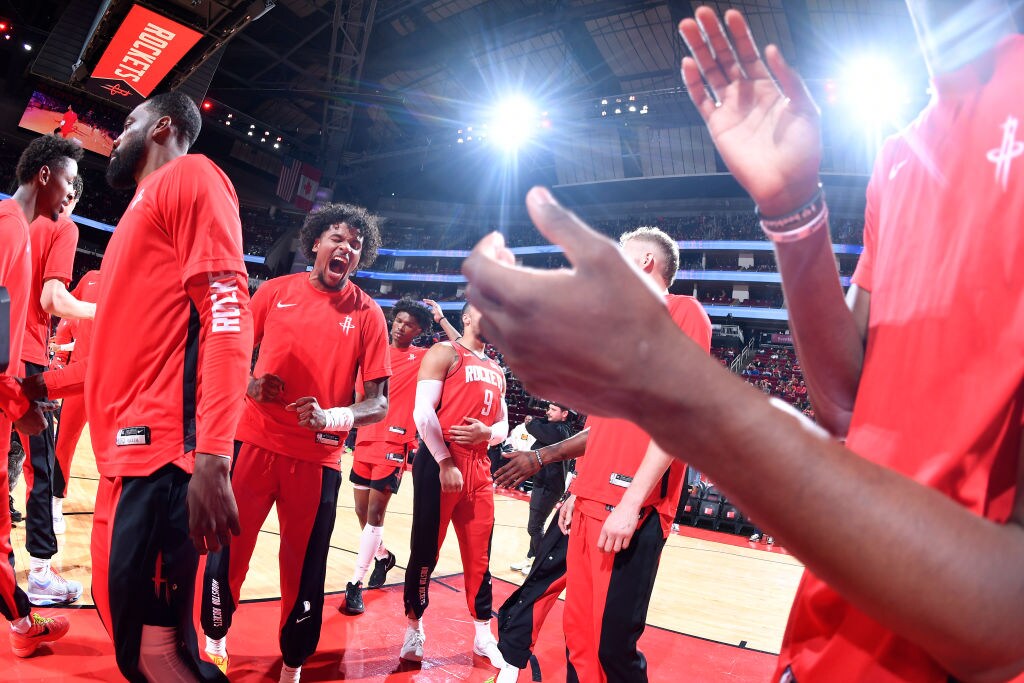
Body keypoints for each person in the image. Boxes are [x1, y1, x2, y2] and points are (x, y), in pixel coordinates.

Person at [461, 2, 1024, 681]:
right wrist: (792, 213)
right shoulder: (907, 150)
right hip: (841, 625)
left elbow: (1007, 618)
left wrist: (679, 395)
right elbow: (848, 402)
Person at [28, 92, 253, 682]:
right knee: (128, 637)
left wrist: (213, 455)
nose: (119, 133)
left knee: (161, 658)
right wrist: (38, 385)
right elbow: (109, 358)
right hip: (122, 462)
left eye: (129, 123)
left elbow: (229, 316)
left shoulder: (192, 177)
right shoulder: (135, 213)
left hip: (164, 457)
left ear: (164, 127)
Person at [200, 203, 390, 683]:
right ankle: (215, 643)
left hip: (317, 457)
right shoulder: (274, 292)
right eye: (338, 238)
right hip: (253, 442)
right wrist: (248, 383)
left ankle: (293, 664)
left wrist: (335, 415)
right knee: (228, 550)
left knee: (304, 566)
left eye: (356, 244)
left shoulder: (369, 315)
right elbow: (226, 353)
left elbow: (378, 404)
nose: (346, 248)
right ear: (315, 244)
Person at [0, 134, 80, 657]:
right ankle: (25, 617)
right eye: (70, 181)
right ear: (45, 175)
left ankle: (22, 622)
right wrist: (17, 403)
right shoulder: (13, 227)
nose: (73, 193)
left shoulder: (19, 229)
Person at [401, 302, 509, 670]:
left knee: (480, 556)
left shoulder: (497, 370)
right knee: (425, 551)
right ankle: (414, 626)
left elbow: (504, 428)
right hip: (441, 459)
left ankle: (482, 633)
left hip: (480, 465)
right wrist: (445, 460)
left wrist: (488, 433)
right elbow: (422, 411)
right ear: (466, 315)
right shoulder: (445, 352)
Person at [16, 174, 93, 604]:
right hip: (29, 360)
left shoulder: (14, 222)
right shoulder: (64, 225)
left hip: (4, 351)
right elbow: (54, 302)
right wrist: (110, 309)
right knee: (40, 468)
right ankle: (42, 573)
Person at [342, 297, 432, 617]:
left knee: (376, 515)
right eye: (398, 320)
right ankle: (382, 556)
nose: (400, 326)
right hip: (365, 439)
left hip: (395, 442)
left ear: (419, 330)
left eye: (409, 323)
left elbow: (461, 350)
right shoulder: (373, 356)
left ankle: (355, 584)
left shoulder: (423, 357)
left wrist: (442, 317)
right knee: (361, 512)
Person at [50, 268, 101, 533]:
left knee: (113, 449)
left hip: (110, 379)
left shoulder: (135, 281)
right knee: (64, 442)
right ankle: (55, 502)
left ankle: (112, 512)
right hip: (80, 374)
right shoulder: (92, 276)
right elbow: (68, 311)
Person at [508, 402, 574, 575]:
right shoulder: (553, 427)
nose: (548, 412)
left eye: (553, 410)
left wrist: (531, 422)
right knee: (537, 525)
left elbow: (532, 426)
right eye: (548, 409)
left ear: (565, 413)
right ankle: (531, 556)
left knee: (534, 527)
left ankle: (540, 562)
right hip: (542, 483)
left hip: (550, 486)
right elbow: (535, 425)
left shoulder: (561, 431)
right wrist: (536, 422)